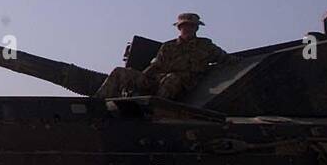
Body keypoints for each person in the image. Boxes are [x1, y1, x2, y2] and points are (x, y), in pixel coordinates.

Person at [95, 13, 228, 100]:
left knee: (172, 78)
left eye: (191, 26)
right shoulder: (168, 46)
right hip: (158, 81)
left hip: (184, 85)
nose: (187, 29)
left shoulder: (205, 45)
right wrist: (141, 78)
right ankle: (96, 102)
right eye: (184, 26)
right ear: (179, 28)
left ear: (196, 28)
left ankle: (156, 108)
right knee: (120, 72)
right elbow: (156, 66)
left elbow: (224, 58)